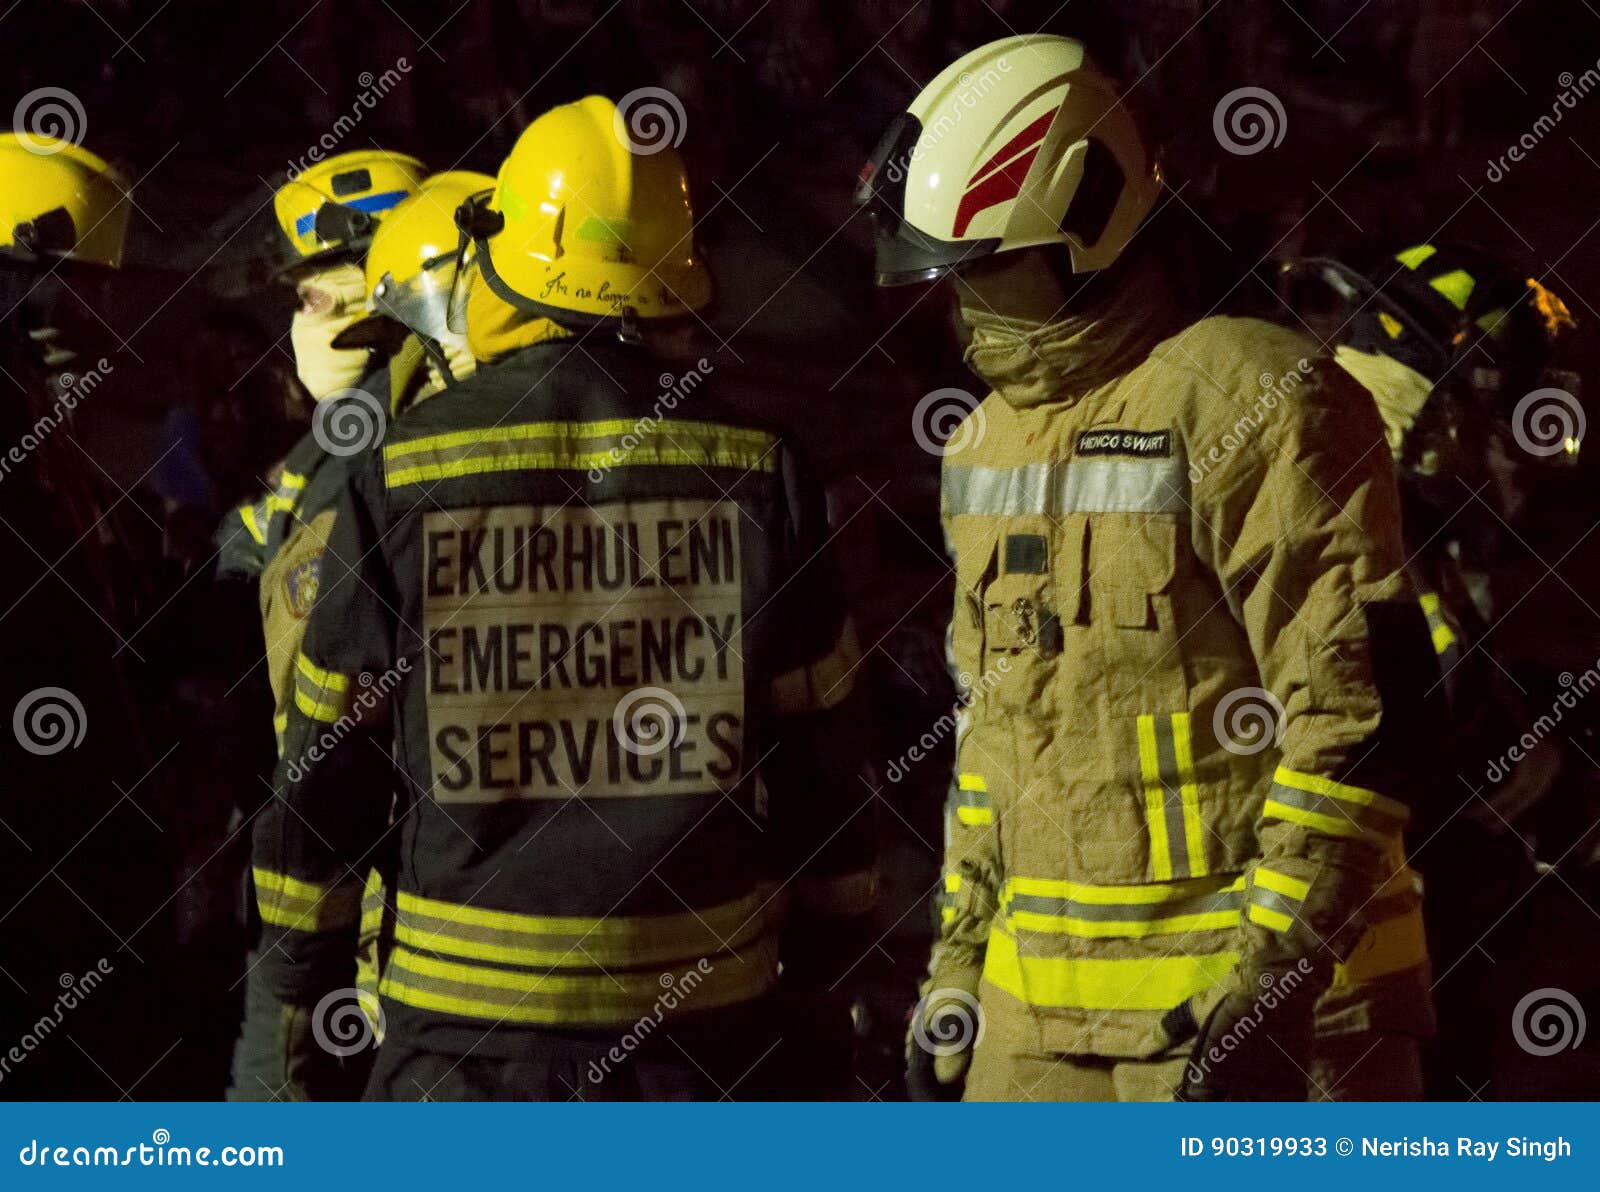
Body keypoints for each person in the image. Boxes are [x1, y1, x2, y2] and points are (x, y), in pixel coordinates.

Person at [256, 95, 875, 1100]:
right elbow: (828, 762)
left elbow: (326, 761)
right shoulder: (762, 471)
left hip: (464, 1055)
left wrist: (305, 986)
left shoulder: (404, 468)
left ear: (503, 264)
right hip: (706, 1043)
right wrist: (821, 986)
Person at [856, 34, 1434, 1101]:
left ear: (1093, 224)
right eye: (957, 282)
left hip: (1270, 1024)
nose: (974, 314)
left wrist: (1271, 981)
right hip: (1038, 1032)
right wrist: (954, 974)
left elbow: (1353, 718)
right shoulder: (983, 443)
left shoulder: (1251, 399)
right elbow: (990, 744)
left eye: (998, 275)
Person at [1293, 242, 1584, 1096]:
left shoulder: (1408, 520)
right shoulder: (1359, 518)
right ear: (1443, 401)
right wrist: (1535, 757)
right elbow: (1403, 728)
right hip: (1338, 1008)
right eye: (1513, 418)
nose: (1526, 458)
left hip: (1401, 989)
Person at [219, 147, 426, 1100]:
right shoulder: (336, 444)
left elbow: (326, 730)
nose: (312, 326)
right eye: (307, 301)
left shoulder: (377, 463)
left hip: (348, 914)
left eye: (324, 301)